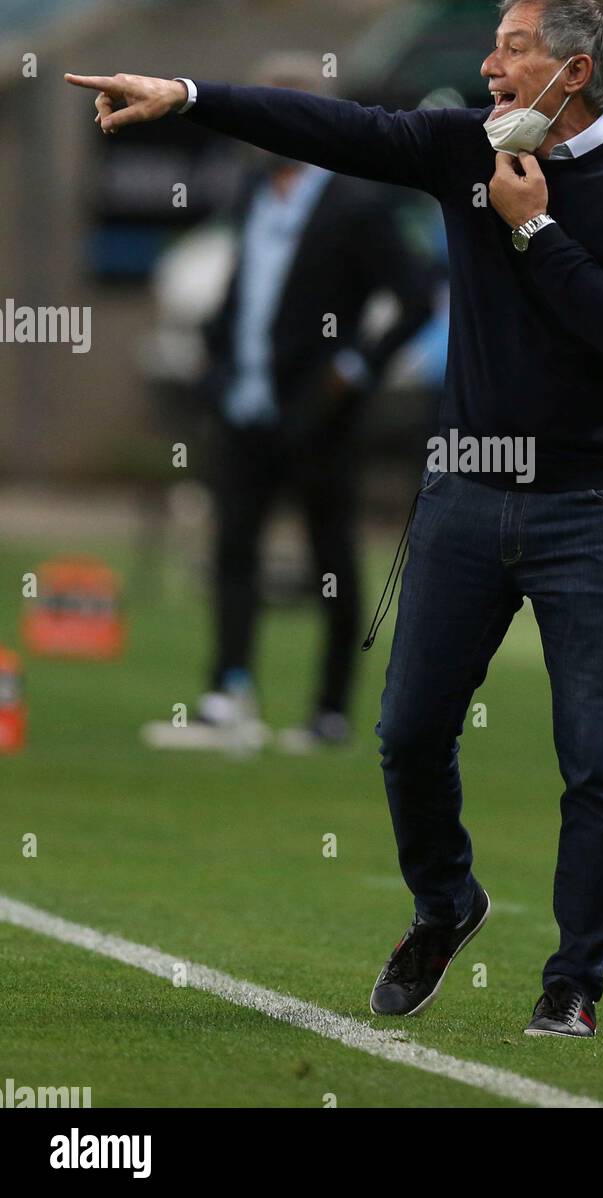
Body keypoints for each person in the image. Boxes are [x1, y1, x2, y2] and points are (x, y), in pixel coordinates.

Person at [65, 0, 603, 1038]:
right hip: (459, 493)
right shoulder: (463, 146)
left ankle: (572, 981)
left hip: (590, 505)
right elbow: (336, 128)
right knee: (405, 735)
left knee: (595, 758)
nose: (488, 67)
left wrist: (534, 230)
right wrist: (186, 94)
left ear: (575, 72)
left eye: (511, 47)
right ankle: (446, 903)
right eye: (491, 46)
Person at [166, 53, 435, 750]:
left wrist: (351, 369)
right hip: (245, 403)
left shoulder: (357, 202)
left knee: (329, 556)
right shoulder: (256, 193)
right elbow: (245, 291)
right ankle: (229, 695)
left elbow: (414, 298)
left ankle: (330, 709)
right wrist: (216, 359)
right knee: (233, 549)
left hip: (317, 408)